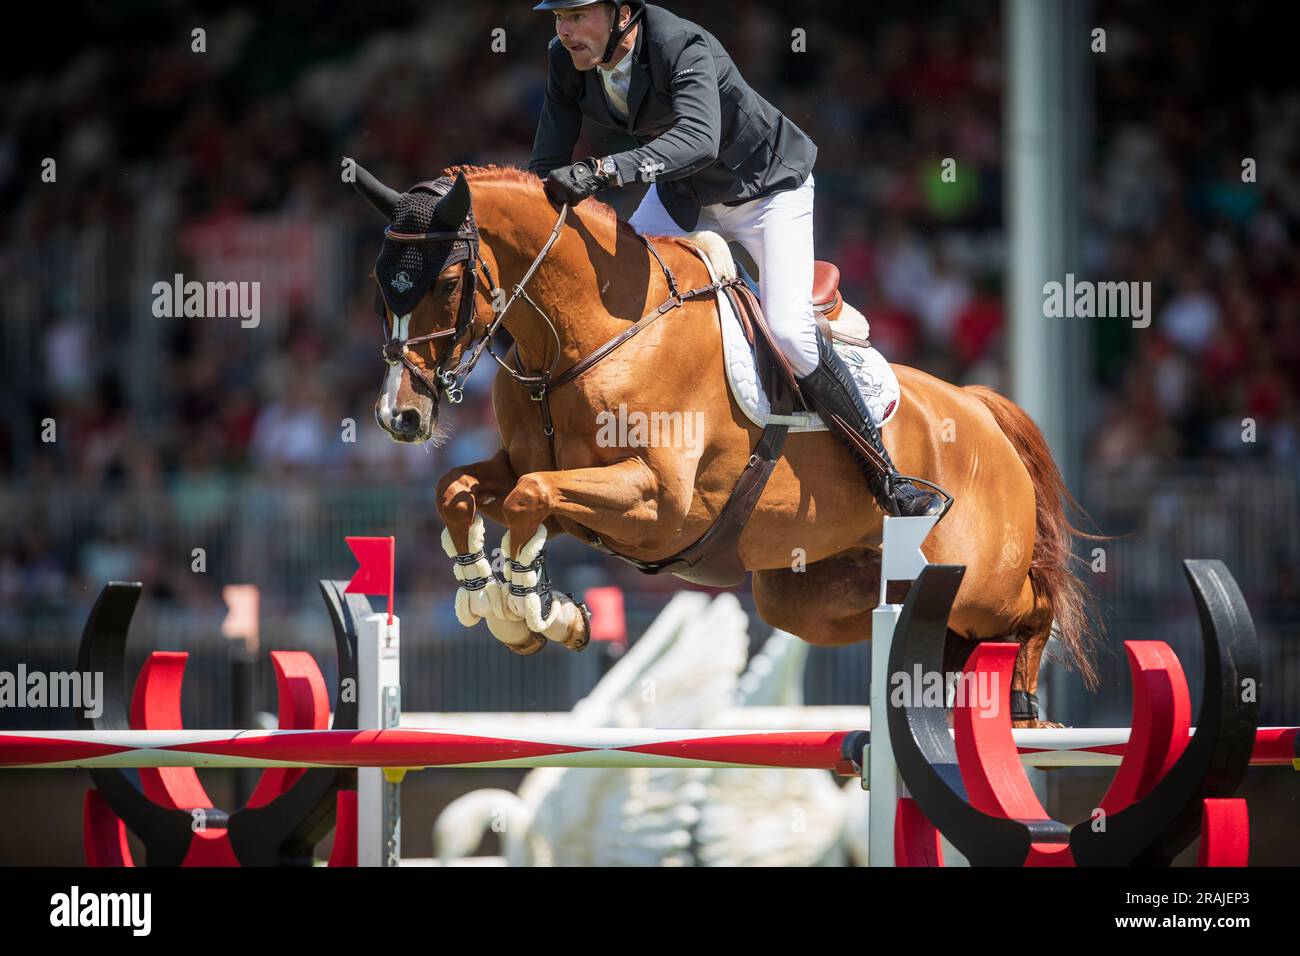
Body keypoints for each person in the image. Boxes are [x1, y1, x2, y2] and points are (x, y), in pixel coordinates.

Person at [527, 0, 944, 517]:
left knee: (789, 331)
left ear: (623, 13)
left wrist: (604, 170)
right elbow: (546, 161)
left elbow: (698, 141)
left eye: (577, 16)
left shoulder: (680, 44)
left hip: (767, 189)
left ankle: (888, 478)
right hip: (684, 195)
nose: (566, 31)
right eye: (559, 19)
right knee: (618, 292)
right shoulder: (564, 57)